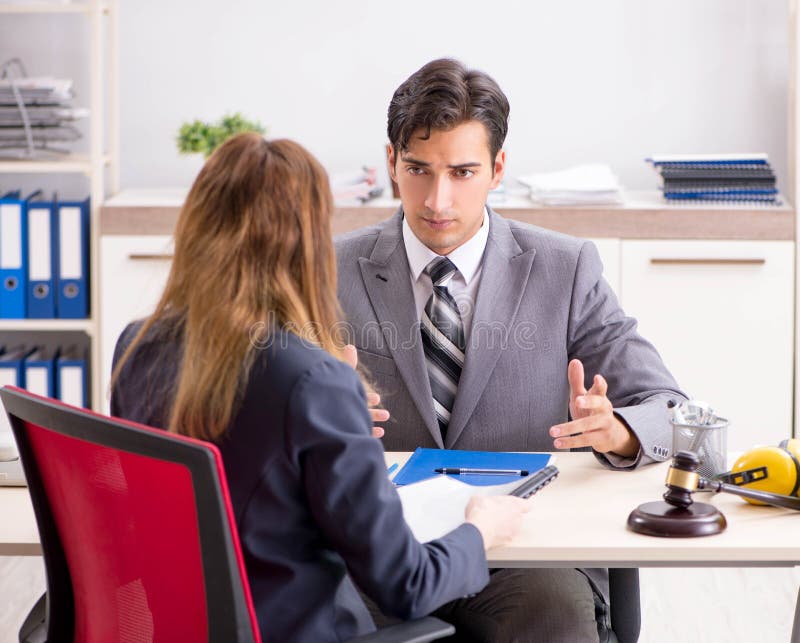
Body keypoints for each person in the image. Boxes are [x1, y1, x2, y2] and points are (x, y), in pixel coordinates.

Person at [109, 133, 533, 642]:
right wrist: (480, 531)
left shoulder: (138, 346)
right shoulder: (312, 381)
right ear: (307, 241)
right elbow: (408, 586)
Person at [335, 58, 687, 642]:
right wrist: (314, 416)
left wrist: (617, 428)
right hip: (377, 551)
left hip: (525, 552)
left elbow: (669, 407)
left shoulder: (564, 268)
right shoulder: (326, 268)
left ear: (497, 168)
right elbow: (257, 415)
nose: (438, 198)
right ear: (392, 162)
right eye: (419, 169)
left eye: (463, 172)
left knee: (552, 615)